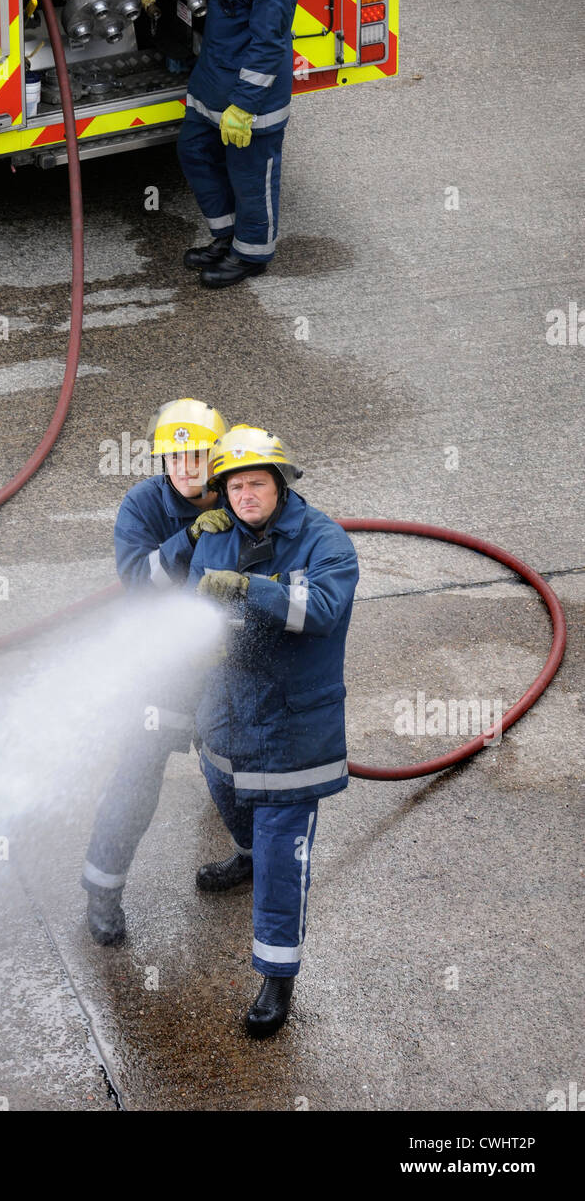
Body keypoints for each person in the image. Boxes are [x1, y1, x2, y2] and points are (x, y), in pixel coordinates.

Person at [187, 425, 359, 1038]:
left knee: (282, 854)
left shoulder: (326, 542)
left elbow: (319, 609)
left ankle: (276, 979)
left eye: (255, 481)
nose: (244, 494)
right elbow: (190, 609)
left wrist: (249, 586)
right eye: (233, 485)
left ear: (280, 483)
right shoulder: (215, 537)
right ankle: (247, 854)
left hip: (290, 731)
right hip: (226, 718)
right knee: (234, 806)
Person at [82, 398, 235, 946]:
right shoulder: (143, 505)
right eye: (174, 458)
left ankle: (246, 858)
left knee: (234, 769)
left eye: (196, 457)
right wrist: (189, 539)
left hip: (228, 667)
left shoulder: (244, 489)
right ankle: (102, 890)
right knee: (138, 773)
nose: (185, 468)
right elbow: (140, 583)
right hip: (164, 669)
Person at [132, 0, 304, 289]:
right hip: (213, 79)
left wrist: (244, 107)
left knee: (251, 176)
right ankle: (226, 237)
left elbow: (269, 47)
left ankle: (251, 254)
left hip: (250, 96)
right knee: (194, 153)